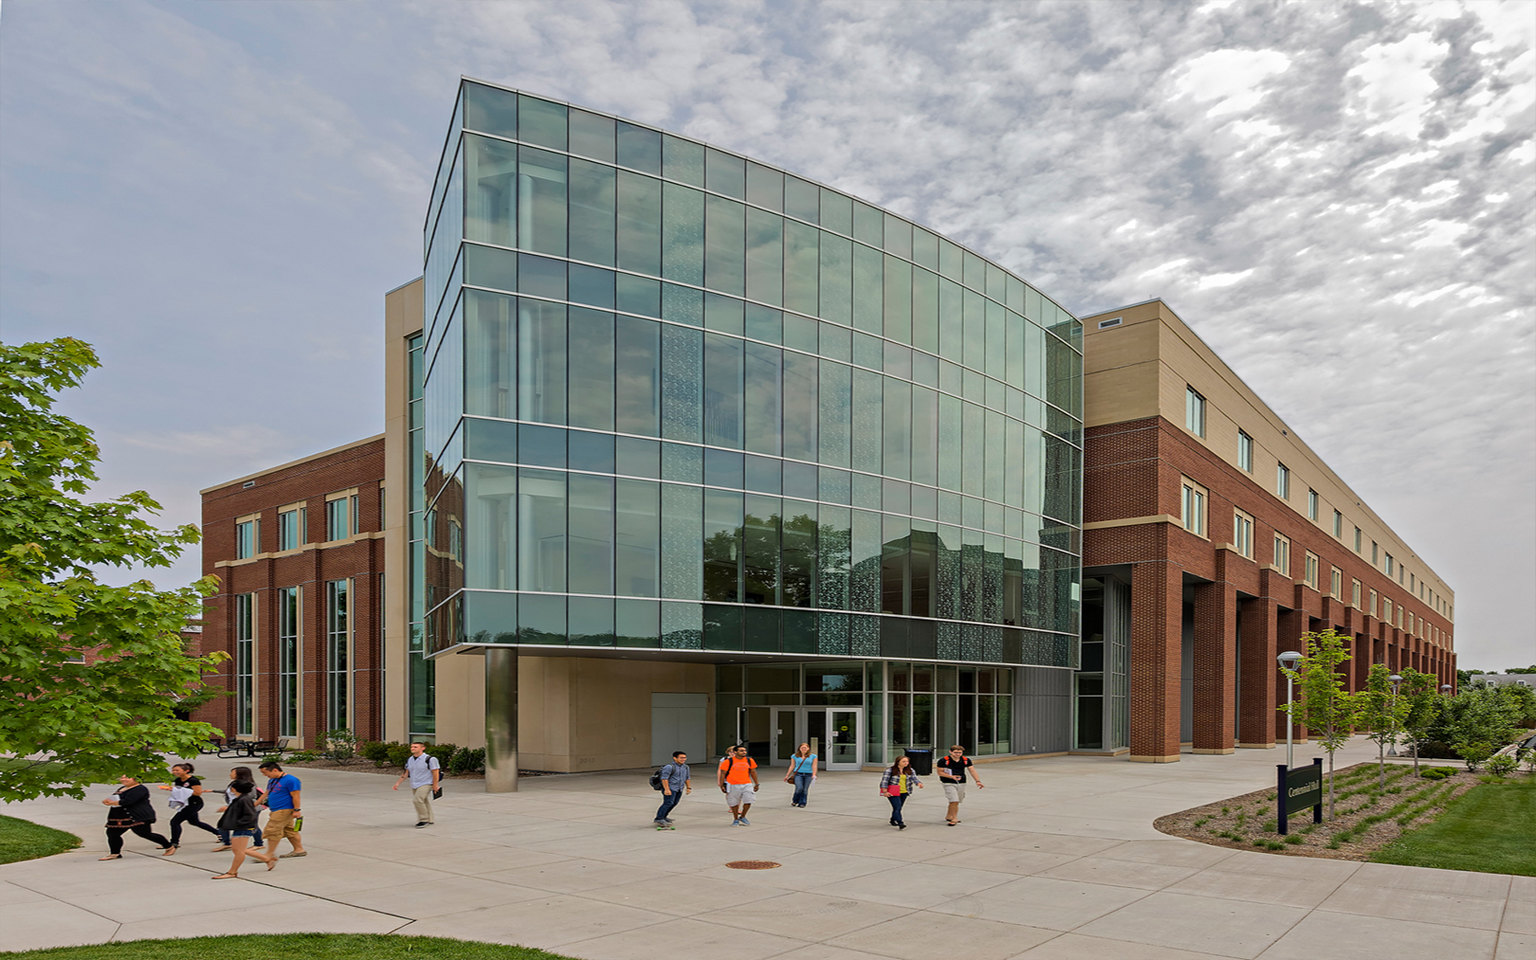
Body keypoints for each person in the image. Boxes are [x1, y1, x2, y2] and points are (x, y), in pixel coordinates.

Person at [212, 779, 276, 879]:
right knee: (238, 849)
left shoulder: (244, 800)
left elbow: (249, 814)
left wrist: (240, 823)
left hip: (243, 828)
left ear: (234, 789)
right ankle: (267, 859)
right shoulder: (241, 798)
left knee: (239, 851)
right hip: (240, 827)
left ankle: (232, 872)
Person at [99, 774, 174, 859]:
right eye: (122, 777)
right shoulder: (122, 788)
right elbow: (117, 798)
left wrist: (113, 803)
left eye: (126, 777)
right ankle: (115, 853)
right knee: (112, 833)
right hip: (121, 816)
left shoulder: (140, 789)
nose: (123, 779)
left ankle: (169, 846)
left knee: (144, 833)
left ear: (136, 779)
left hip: (137, 816)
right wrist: (108, 800)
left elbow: (129, 801)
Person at [157, 762, 220, 850]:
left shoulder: (193, 780)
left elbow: (197, 793)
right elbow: (179, 792)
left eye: (177, 770)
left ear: (186, 771)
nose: (174, 772)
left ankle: (174, 843)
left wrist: (177, 790)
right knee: (194, 822)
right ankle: (219, 833)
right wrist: (173, 790)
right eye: (173, 770)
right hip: (186, 803)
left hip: (194, 804)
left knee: (175, 822)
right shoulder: (178, 780)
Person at [256, 761, 306, 857]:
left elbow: (296, 796)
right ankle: (299, 850)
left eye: (265, 772)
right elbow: (266, 793)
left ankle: (269, 854)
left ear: (275, 770)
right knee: (290, 830)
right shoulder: (272, 780)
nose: (265, 775)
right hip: (275, 809)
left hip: (284, 809)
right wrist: (255, 804)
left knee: (272, 830)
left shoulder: (291, 780)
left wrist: (297, 810)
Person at [212, 766, 265, 852]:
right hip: (235, 808)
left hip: (250, 808)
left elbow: (250, 796)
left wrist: (229, 806)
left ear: (240, 774)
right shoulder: (235, 783)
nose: (230, 774)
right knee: (223, 825)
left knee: (253, 827)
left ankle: (259, 844)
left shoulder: (248, 785)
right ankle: (227, 843)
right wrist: (213, 791)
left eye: (232, 772)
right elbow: (229, 791)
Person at [392, 741, 441, 827]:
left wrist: (435, 785)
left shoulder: (430, 759)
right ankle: (430, 819)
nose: (413, 748)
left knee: (417, 800)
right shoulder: (410, 759)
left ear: (423, 748)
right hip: (414, 784)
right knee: (423, 801)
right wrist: (398, 783)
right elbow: (406, 773)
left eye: (415, 747)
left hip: (426, 783)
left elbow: (435, 772)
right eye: (412, 747)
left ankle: (423, 820)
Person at [935, 743, 985, 825]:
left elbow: (972, 770)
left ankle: (949, 816)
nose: (958, 754)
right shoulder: (943, 761)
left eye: (960, 753)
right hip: (948, 782)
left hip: (961, 782)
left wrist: (978, 781)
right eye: (955, 752)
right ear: (950, 752)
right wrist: (951, 777)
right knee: (954, 800)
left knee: (955, 801)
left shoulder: (966, 760)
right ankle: (954, 818)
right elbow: (939, 772)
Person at [717, 744, 759, 826]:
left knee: (749, 801)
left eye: (745, 750)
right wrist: (721, 785)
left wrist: (756, 783)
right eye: (741, 751)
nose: (744, 752)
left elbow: (753, 772)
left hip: (747, 784)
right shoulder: (728, 761)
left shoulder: (749, 760)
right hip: (732, 784)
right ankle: (736, 819)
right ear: (735, 752)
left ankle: (742, 816)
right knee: (734, 803)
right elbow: (723, 773)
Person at [877, 754, 923, 829]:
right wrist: (884, 792)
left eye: (907, 761)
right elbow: (884, 781)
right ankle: (900, 823)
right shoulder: (890, 770)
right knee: (897, 807)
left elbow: (914, 778)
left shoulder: (910, 770)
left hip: (904, 791)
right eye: (903, 761)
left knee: (898, 807)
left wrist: (918, 783)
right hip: (893, 792)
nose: (906, 763)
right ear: (898, 762)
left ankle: (892, 820)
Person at [653, 750, 691, 829]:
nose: (683, 759)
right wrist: (667, 789)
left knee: (674, 803)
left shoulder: (686, 767)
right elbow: (664, 779)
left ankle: (664, 816)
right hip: (670, 788)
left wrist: (688, 787)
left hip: (679, 788)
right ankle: (659, 818)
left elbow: (687, 778)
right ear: (675, 758)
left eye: (684, 758)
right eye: (681, 758)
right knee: (668, 803)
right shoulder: (669, 767)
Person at [786, 742, 817, 808]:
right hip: (798, 774)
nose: (803, 749)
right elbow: (792, 766)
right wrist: (787, 775)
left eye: (805, 748)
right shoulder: (794, 756)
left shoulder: (813, 756)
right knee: (799, 788)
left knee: (805, 789)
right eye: (802, 748)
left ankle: (802, 803)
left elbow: (814, 765)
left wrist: (814, 774)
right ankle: (795, 800)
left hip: (808, 774)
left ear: (808, 748)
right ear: (799, 748)